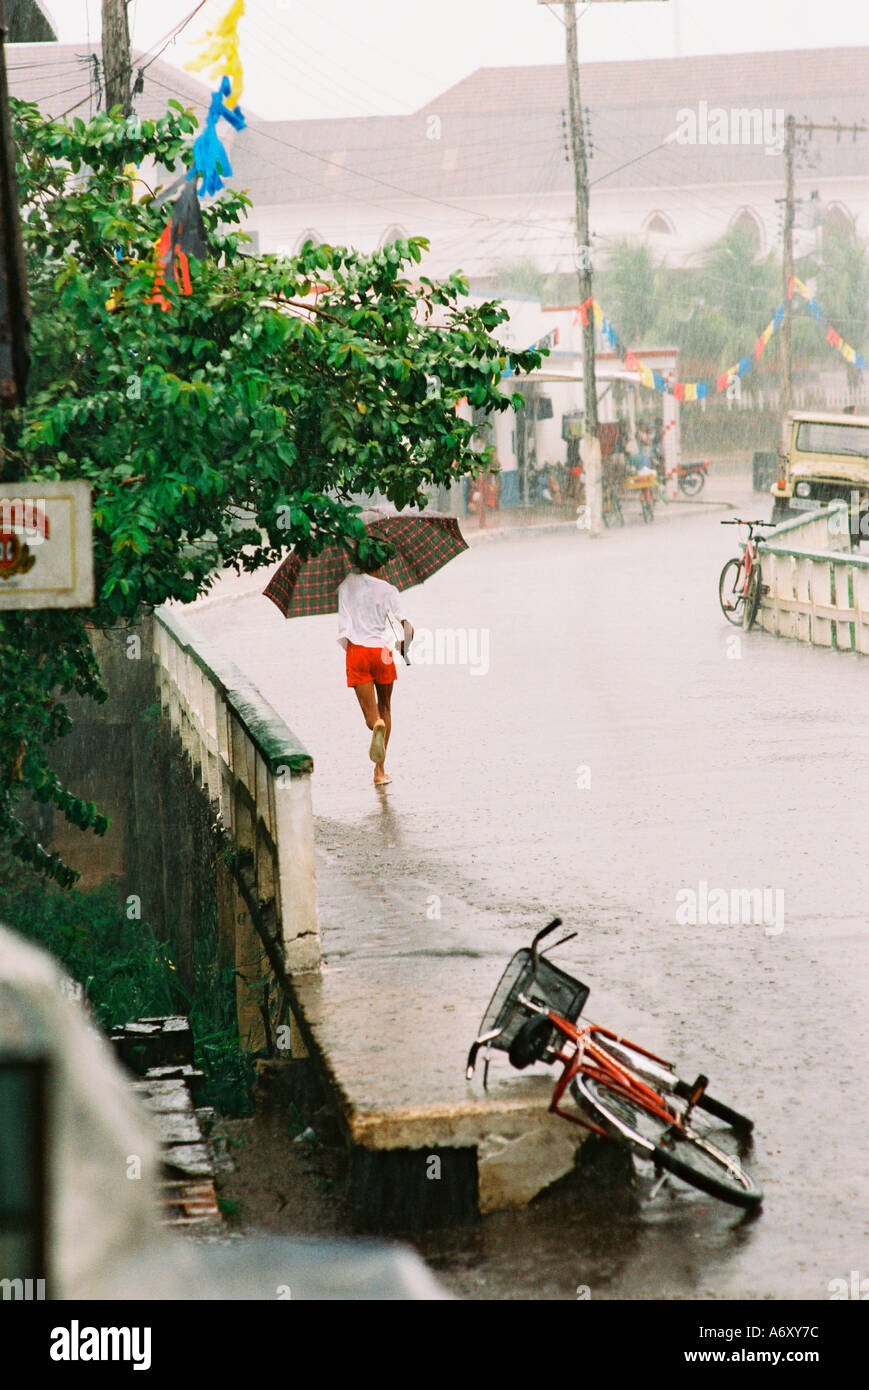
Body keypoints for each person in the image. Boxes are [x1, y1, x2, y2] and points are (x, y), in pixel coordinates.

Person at [337, 554, 413, 786]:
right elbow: (406, 626)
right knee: (386, 708)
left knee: (372, 717)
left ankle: (374, 724)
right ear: (381, 563)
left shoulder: (345, 584)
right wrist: (405, 646)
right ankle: (379, 771)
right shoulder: (389, 590)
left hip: (357, 652)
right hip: (382, 652)